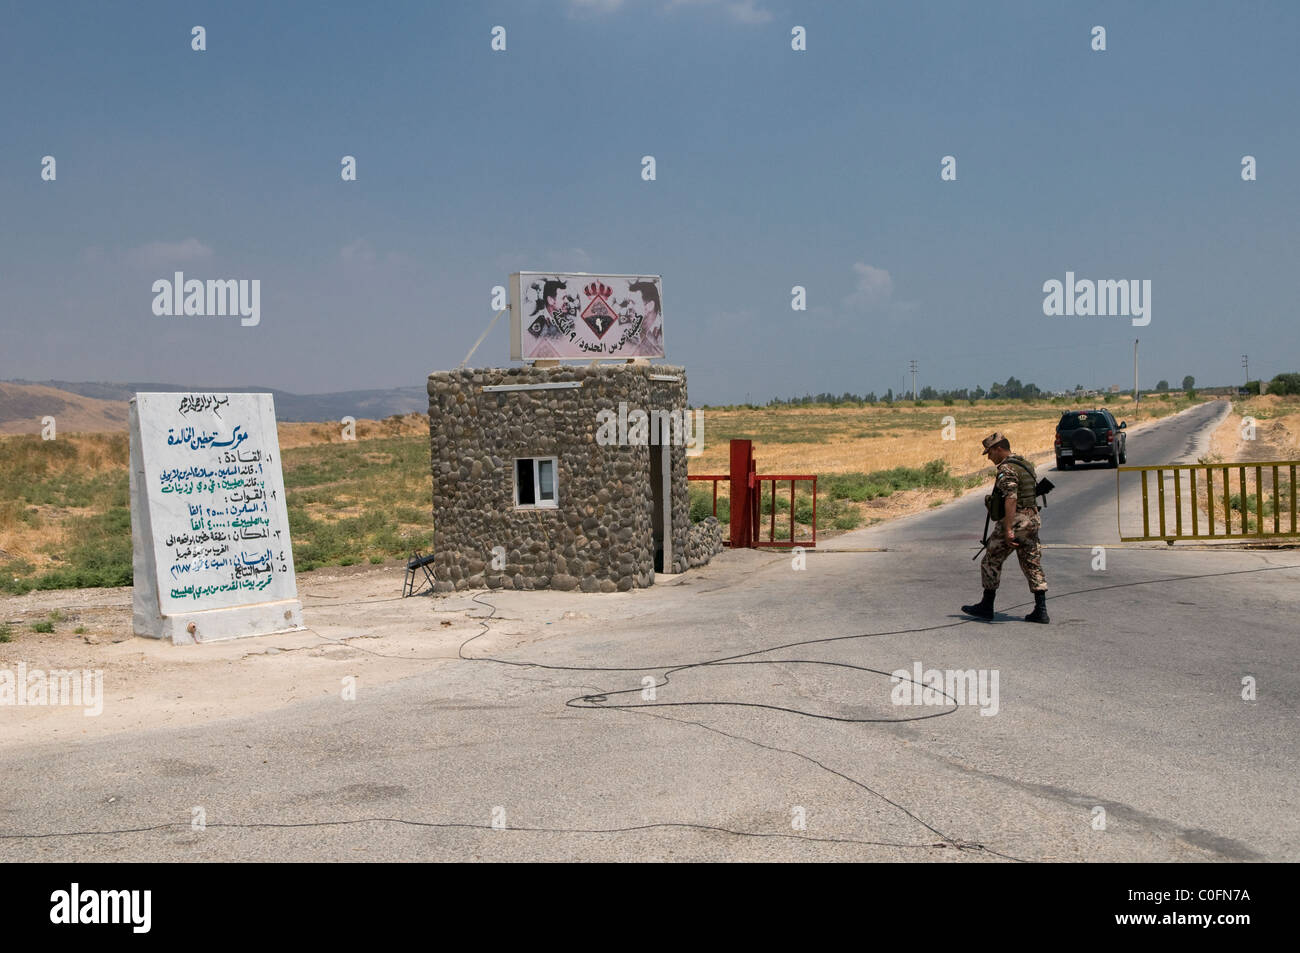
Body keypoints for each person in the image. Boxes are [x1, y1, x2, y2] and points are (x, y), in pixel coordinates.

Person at [961, 432, 1049, 623]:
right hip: (1032, 520)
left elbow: (1011, 498)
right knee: (1032, 562)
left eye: (990, 452)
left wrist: (1008, 529)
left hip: (1016, 521)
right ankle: (1041, 610)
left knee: (990, 560)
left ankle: (986, 606)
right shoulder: (1025, 464)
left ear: (999, 448)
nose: (989, 457)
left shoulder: (1007, 468)